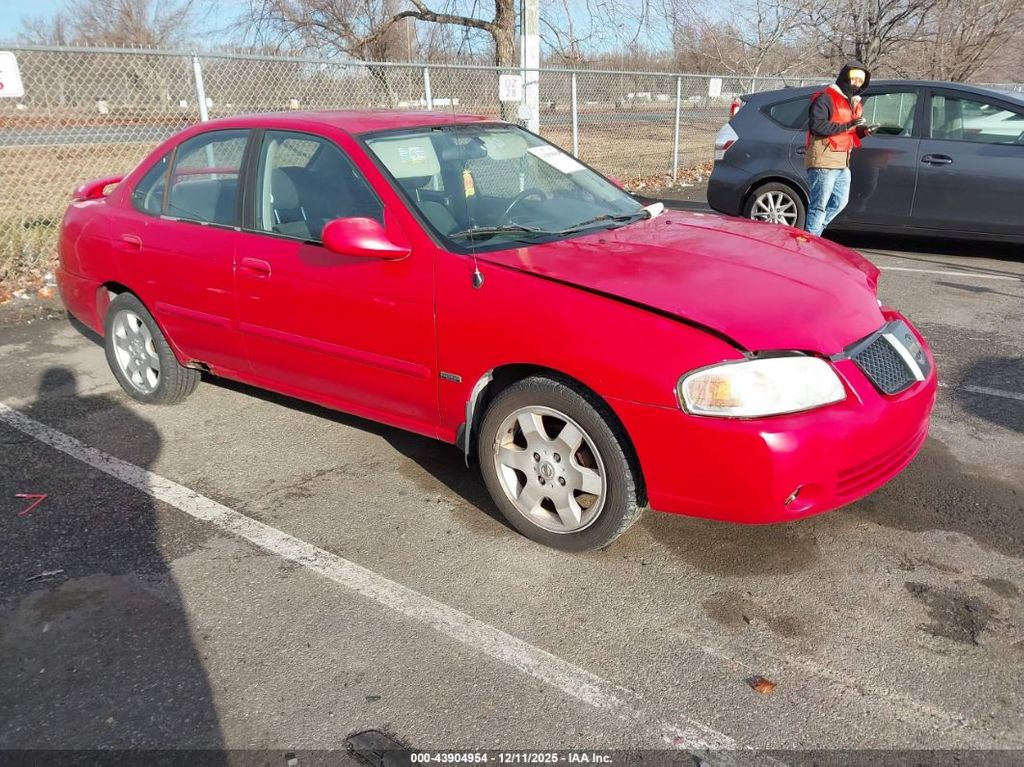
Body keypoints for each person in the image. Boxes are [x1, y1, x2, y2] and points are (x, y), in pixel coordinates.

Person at [804, 61, 879, 237]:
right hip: (824, 159)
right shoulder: (826, 97)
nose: (856, 84)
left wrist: (863, 131)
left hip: (842, 161)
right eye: (854, 79)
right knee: (819, 204)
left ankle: (814, 232)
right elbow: (817, 126)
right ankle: (811, 240)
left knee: (839, 202)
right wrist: (849, 125)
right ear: (845, 78)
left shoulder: (852, 102)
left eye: (860, 82)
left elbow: (849, 133)